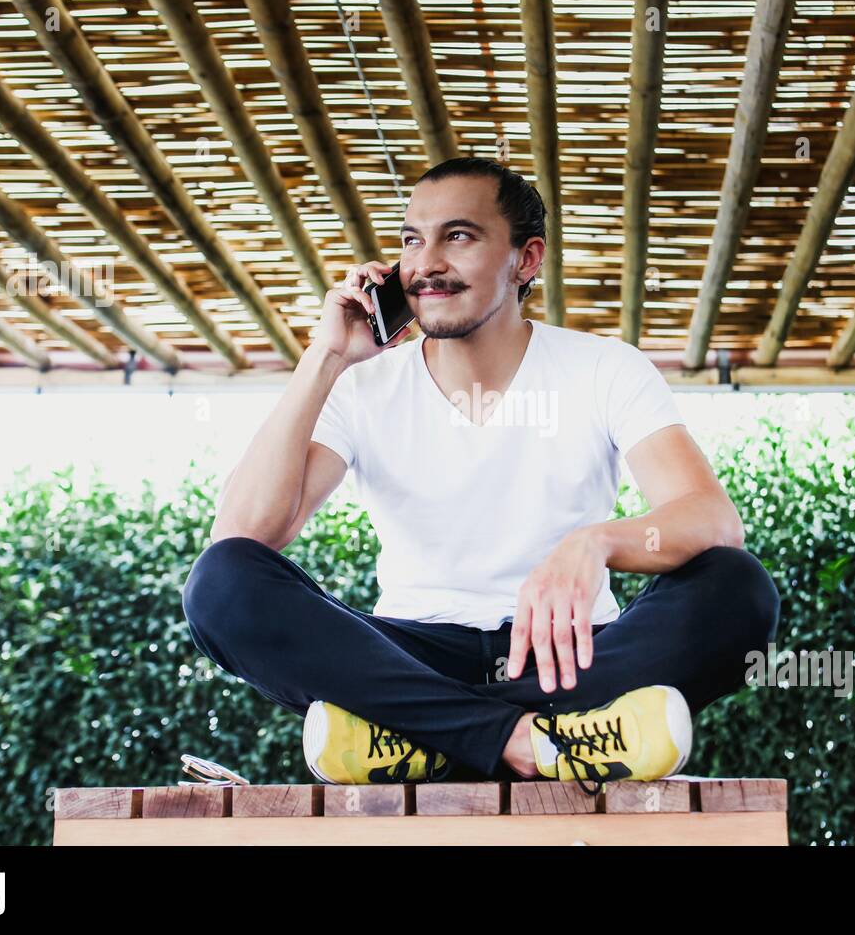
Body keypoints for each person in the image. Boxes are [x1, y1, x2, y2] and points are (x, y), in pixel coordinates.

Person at [181, 157, 780, 794]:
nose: (426, 263)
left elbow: (712, 520)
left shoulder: (606, 368)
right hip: (410, 659)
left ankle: (422, 741)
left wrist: (595, 542)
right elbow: (244, 535)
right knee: (221, 583)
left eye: (458, 237)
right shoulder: (361, 384)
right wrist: (325, 359)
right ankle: (542, 741)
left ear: (526, 260)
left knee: (738, 587)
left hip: (568, 658)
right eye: (412, 240)